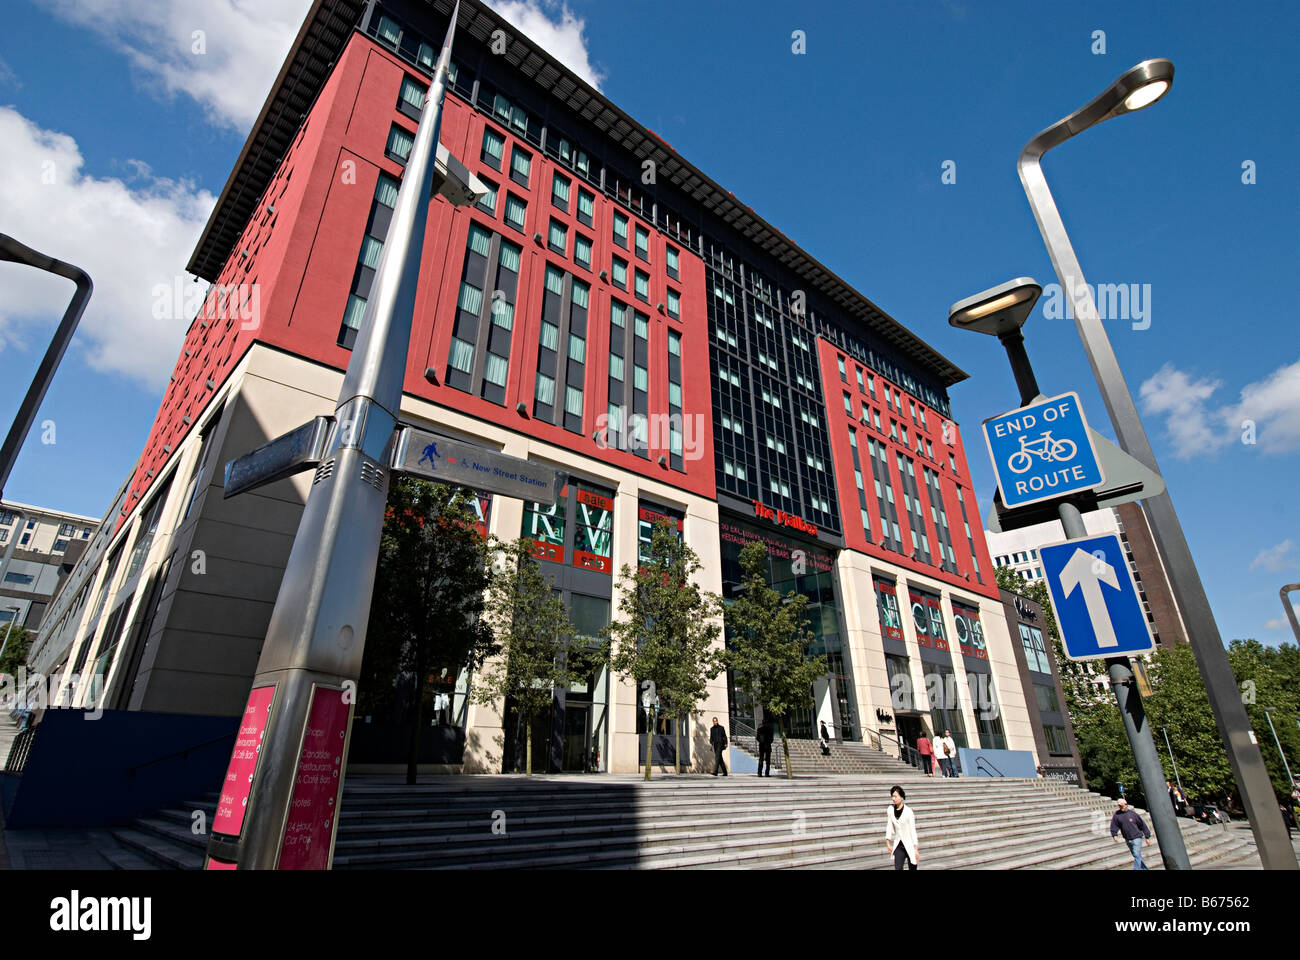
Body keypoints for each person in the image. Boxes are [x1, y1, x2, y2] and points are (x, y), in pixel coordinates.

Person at [1110, 797, 1152, 870]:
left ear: (1126, 805)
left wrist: (1147, 837)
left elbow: (1142, 825)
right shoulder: (1117, 815)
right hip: (1128, 839)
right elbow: (1114, 825)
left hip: (1137, 837)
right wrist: (1114, 834)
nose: (1120, 807)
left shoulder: (1133, 814)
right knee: (1137, 856)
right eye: (1119, 806)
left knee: (1136, 855)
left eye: (1122, 806)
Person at [884, 785, 918, 870]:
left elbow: (912, 830)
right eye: (892, 796)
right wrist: (888, 842)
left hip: (909, 844)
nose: (893, 798)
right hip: (899, 844)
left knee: (913, 867)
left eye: (895, 796)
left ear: (901, 797)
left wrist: (916, 848)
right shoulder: (890, 810)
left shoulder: (908, 812)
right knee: (898, 867)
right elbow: (889, 826)